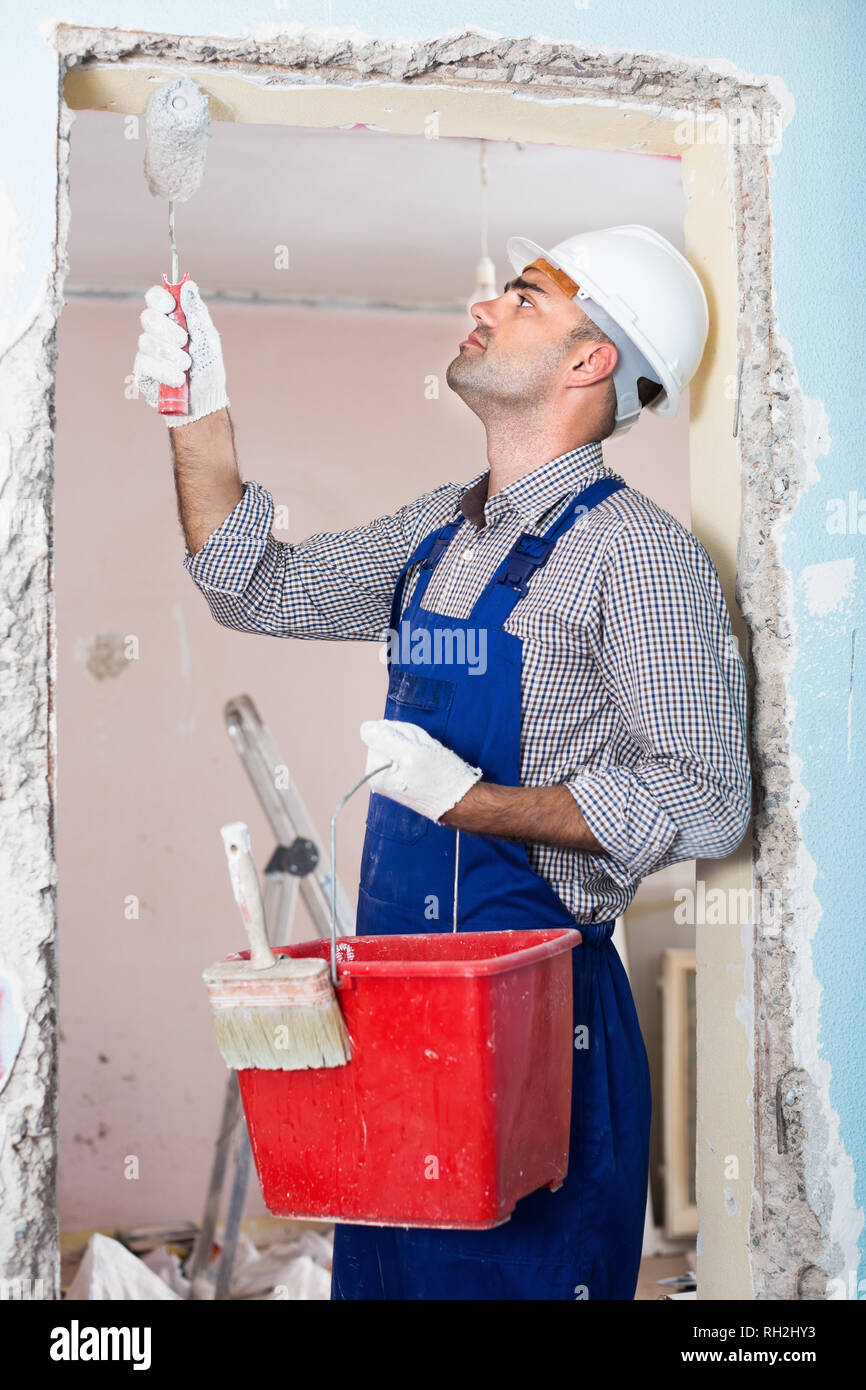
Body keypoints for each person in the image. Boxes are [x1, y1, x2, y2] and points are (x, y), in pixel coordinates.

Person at [134, 224, 751, 1300]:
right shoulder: (440, 532)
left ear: (589, 359)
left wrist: (475, 802)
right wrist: (198, 415)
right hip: (398, 1031)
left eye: (522, 296)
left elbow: (705, 803)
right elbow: (256, 587)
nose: (481, 307)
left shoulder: (637, 556)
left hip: (535, 1038)